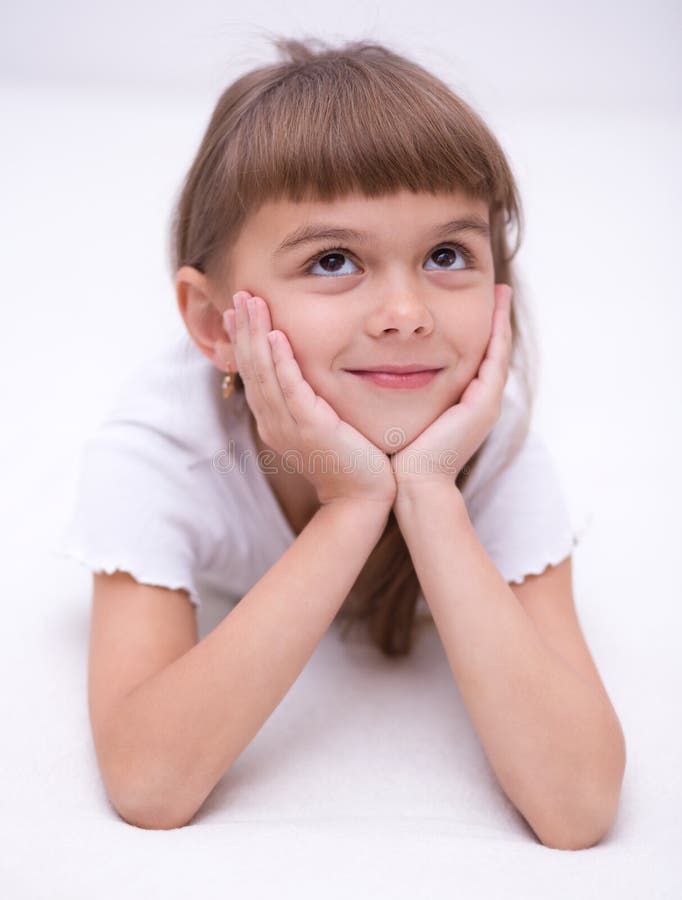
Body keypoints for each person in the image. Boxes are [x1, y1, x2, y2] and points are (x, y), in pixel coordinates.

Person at [56, 36, 625, 846]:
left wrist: (428, 489)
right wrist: (352, 503)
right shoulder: (162, 451)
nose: (407, 312)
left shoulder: (494, 443)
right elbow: (149, 780)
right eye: (333, 260)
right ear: (216, 324)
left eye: (446, 255)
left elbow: (578, 807)